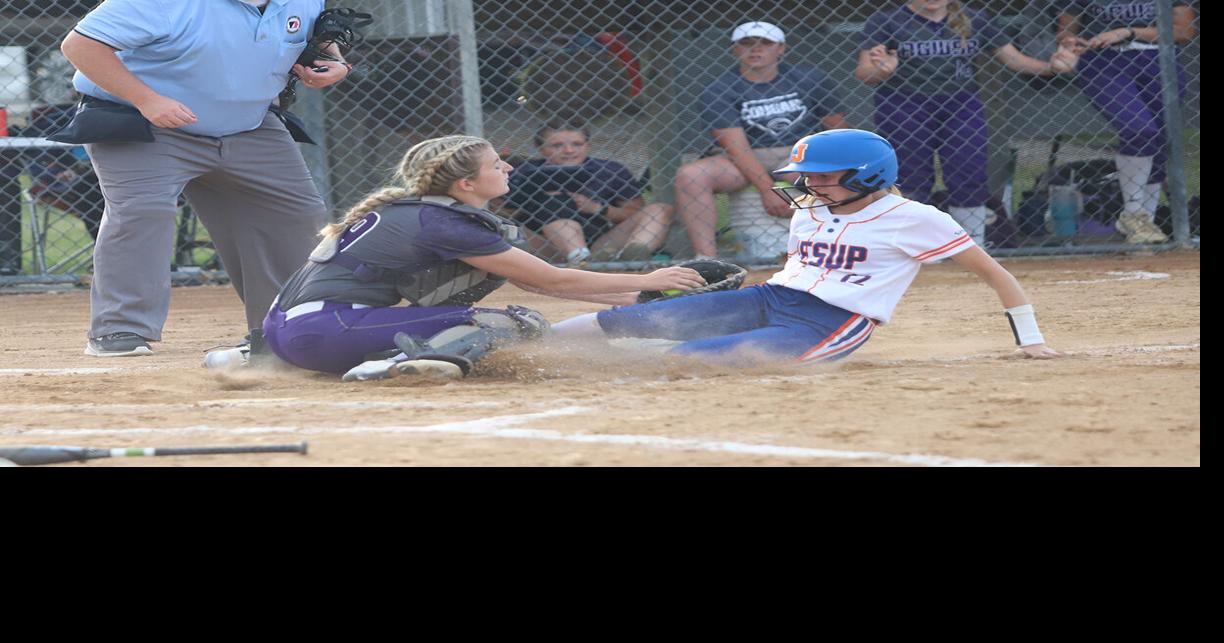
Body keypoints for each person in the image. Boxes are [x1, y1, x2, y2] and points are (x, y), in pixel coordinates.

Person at [551, 129, 1060, 366]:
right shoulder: (812, 207)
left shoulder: (915, 220)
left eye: (821, 176)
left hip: (829, 325)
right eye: (805, 176)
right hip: (768, 298)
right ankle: (528, 340)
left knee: (684, 360)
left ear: (868, 177)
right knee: (623, 323)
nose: (808, 185)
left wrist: (1030, 339)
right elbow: (799, 268)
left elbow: (998, 275)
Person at [233, 135, 705, 381]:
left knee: (492, 312)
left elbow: (537, 280)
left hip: (283, 333)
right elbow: (555, 281)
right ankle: (385, 366)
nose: (508, 167)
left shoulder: (417, 212)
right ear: (465, 185)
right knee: (514, 326)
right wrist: (650, 278)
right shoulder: (446, 223)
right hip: (322, 335)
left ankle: (247, 358)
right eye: (496, 165)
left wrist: (640, 295)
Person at [58, 0, 351, 357]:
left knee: (296, 212)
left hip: (249, 123)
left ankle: (282, 324)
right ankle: (119, 328)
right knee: (142, 210)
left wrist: (332, 60)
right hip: (144, 120)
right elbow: (80, 45)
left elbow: (312, 36)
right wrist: (146, 100)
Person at [856, 0, 1079, 246]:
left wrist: (1053, 67)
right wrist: (883, 71)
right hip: (904, 105)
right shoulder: (886, 21)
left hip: (961, 104)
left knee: (968, 171)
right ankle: (917, 248)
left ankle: (972, 247)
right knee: (911, 177)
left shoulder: (976, 18)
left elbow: (1013, 59)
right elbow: (865, 72)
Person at [676, 21, 852, 259]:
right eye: (746, 44)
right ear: (735, 50)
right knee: (690, 176)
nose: (755, 49)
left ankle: (848, 244)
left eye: (765, 43)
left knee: (836, 176)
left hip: (799, 153)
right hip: (746, 156)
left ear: (780, 48)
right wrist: (767, 190)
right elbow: (736, 148)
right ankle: (707, 259)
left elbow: (838, 130)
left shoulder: (809, 78)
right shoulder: (719, 89)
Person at [1056, 1, 1198, 244]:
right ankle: (1133, 214)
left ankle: (1145, 228)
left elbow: (1184, 31)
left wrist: (1128, 32)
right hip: (1104, 61)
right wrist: (1071, 42)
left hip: (1158, 58)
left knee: (1159, 140)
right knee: (1139, 129)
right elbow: (1066, 29)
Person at [503, 122, 673, 265]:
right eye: (557, 145)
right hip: (548, 248)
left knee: (660, 209)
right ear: (541, 149)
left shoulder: (610, 170)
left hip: (604, 245)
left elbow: (635, 211)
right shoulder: (523, 172)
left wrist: (598, 209)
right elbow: (501, 214)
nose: (569, 150)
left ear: (588, 145)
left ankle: (630, 256)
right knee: (554, 202)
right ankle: (579, 258)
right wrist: (535, 201)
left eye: (577, 144)